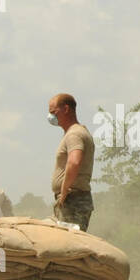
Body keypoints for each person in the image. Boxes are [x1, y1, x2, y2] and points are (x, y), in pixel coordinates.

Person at [48, 93, 96, 231]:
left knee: (68, 245)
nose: (51, 117)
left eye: (53, 112)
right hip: (71, 200)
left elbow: (74, 162)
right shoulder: (75, 132)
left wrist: (63, 193)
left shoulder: (74, 134)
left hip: (73, 200)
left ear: (66, 109)